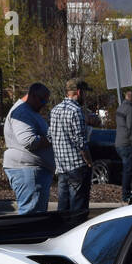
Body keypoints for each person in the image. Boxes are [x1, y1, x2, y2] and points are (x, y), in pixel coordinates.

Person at [3, 83, 53, 214]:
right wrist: (52, 138)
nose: (44, 104)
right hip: (28, 171)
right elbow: (28, 140)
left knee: (34, 217)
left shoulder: (28, 111)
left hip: (31, 171)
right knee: (31, 217)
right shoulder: (22, 112)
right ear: (32, 95)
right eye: (42, 100)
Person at [49, 77, 93, 212]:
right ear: (79, 92)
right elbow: (81, 142)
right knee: (78, 207)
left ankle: (63, 231)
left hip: (62, 166)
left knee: (63, 205)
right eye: (85, 93)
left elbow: (50, 136)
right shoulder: (76, 111)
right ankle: (76, 230)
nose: (85, 96)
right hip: (77, 166)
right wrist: (89, 161)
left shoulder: (55, 110)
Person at [114, 88, 132, 203]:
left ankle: (129, 192)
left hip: (119, 143)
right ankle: (126, 195)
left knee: (127, 169)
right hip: (127, 144)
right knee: (128, 170)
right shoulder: (130, 109)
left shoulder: (120, 108)